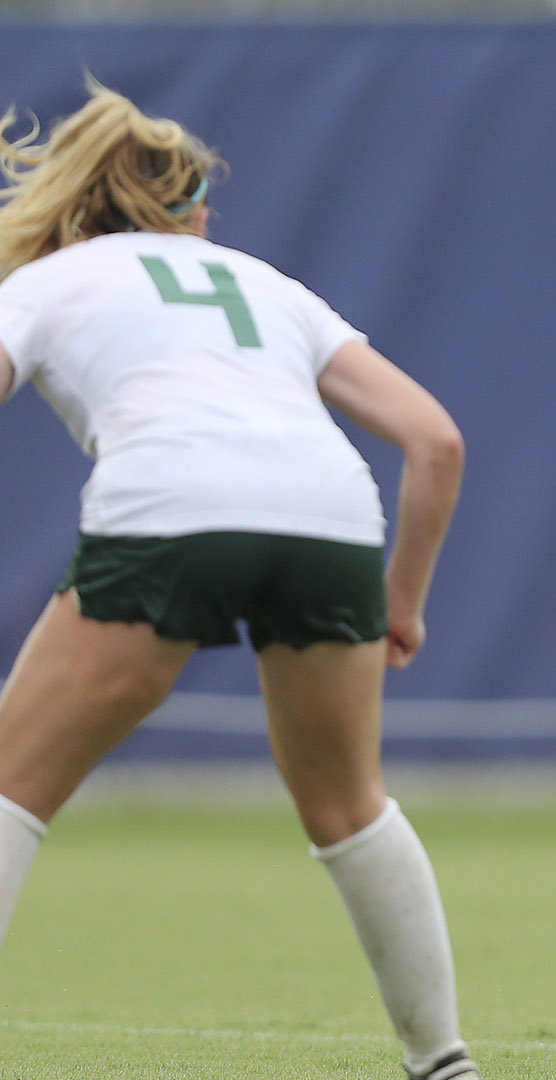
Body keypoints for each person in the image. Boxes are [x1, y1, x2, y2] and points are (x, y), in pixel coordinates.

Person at [0, 84, 478, 1080]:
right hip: (330, 516)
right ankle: (442, 1061)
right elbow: (436, 441)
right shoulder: (267, 284)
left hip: (169, 507)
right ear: (183, 209)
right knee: (349, 807)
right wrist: (400, 603)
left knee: (10, 786)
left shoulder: (47, 281)